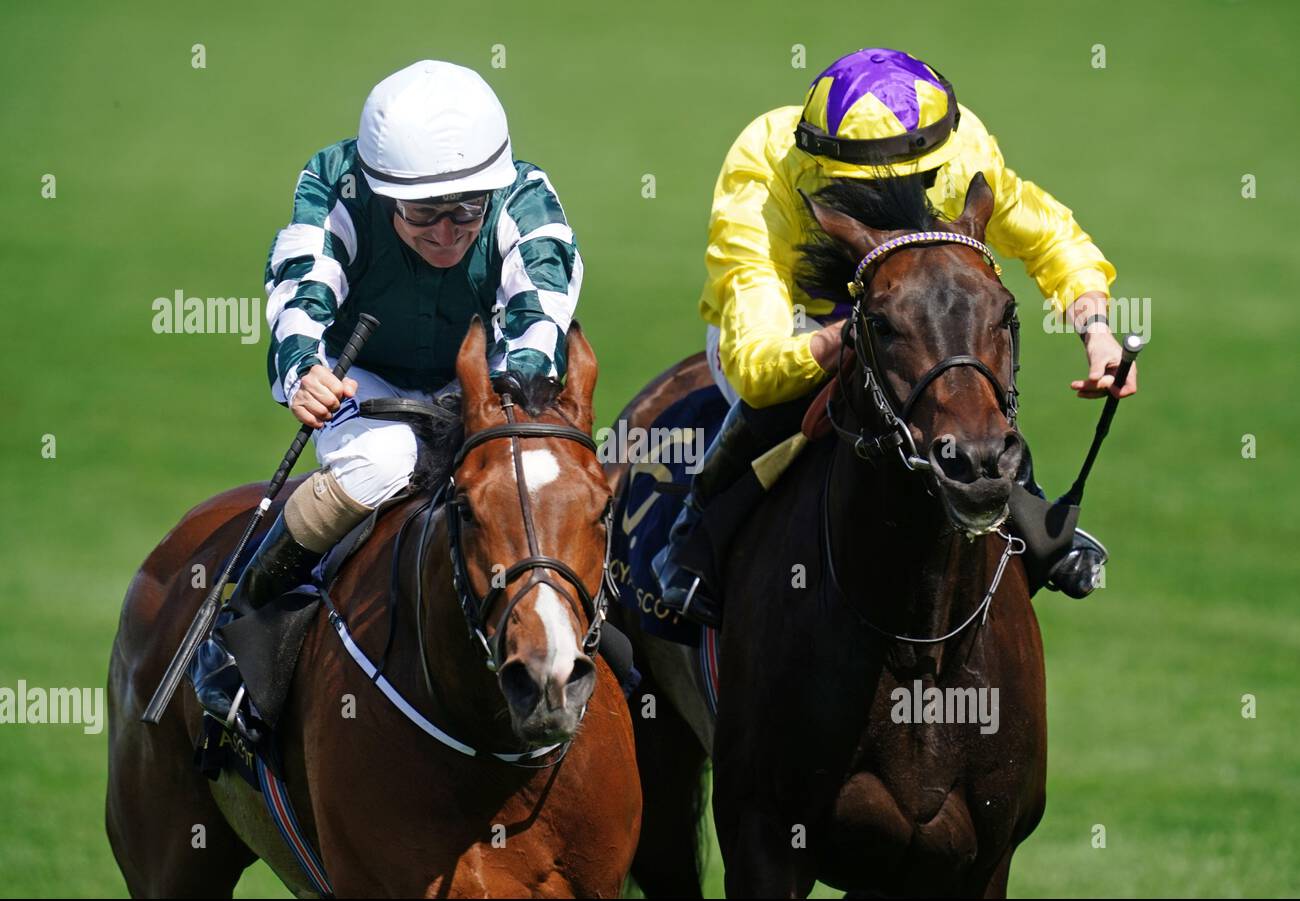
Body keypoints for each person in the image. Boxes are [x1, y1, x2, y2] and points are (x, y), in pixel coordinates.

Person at [654, 48, 1138, 627]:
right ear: (821, 162)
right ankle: (696, 535)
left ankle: (1030, 512)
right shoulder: (764, 168)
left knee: (962, 352)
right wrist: (851, 336)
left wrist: (1096, 328)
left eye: (913, 182)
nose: (894, 196)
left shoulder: (963, 151)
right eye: (865, 187)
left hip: (918, 309)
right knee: (778, 401)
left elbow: (1049, 238)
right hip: (797, 320)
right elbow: (756, 365)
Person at [191, 60, 583, 737]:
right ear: (382, 194)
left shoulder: (525, 196)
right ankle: (243, 623)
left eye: (466, 210)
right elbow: (303, 281)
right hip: (361, 378)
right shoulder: (334, 181)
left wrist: (503, 392)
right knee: (382, 464)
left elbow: (541, 306)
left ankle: (615, 646)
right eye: (423, 212)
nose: (447, 231)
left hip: (488, 380)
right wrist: (303, 367)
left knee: (547, 481)